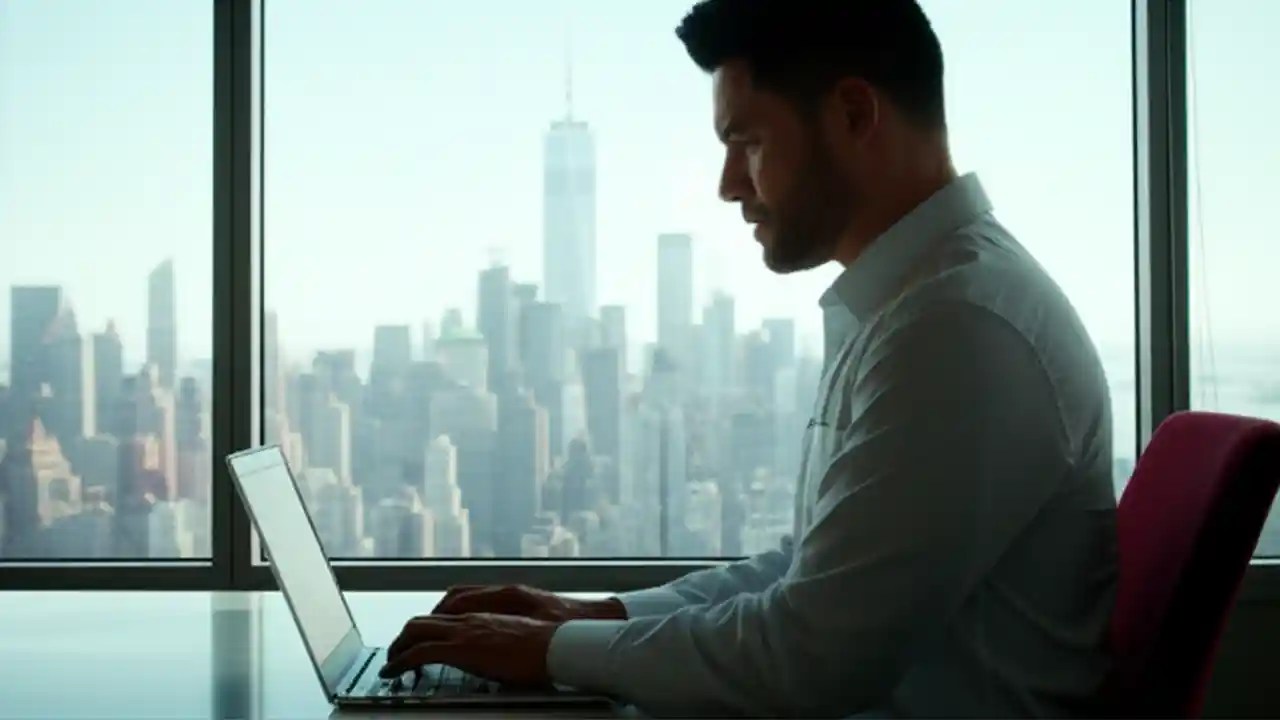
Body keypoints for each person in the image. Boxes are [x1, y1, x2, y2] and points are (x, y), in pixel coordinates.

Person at [379, 0, 1118, 716]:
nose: (729, 184)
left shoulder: (960, 328)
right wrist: (594, 616)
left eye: (750, 142)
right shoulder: (910, 307)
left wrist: (552, 652)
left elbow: (812, 654)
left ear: (854, 114)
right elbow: (810, 574)